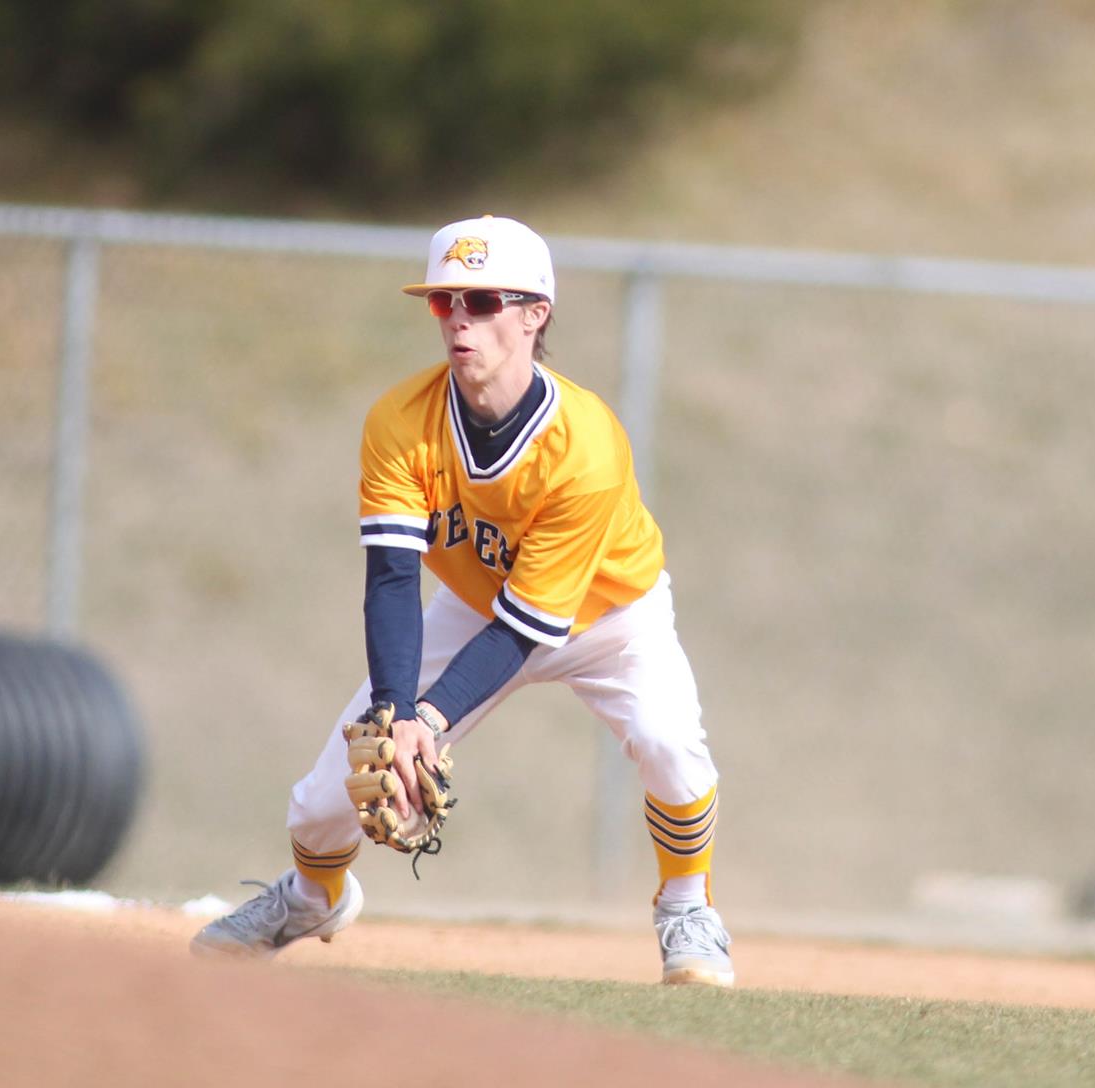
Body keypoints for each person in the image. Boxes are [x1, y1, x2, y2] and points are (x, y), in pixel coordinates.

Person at [190, 215, 732, 986]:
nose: (459, 319)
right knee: (320, 802)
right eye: (444, 302)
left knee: (670, 746)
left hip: (612, 615)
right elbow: (393, 578)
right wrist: (395, 712)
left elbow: (531, 626)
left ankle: (688, 905)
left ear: (534, 313)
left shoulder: (586, 445)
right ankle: (314, 898)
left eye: (481, 300)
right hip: (477, 607)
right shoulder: (401, 422)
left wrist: (430, 718)